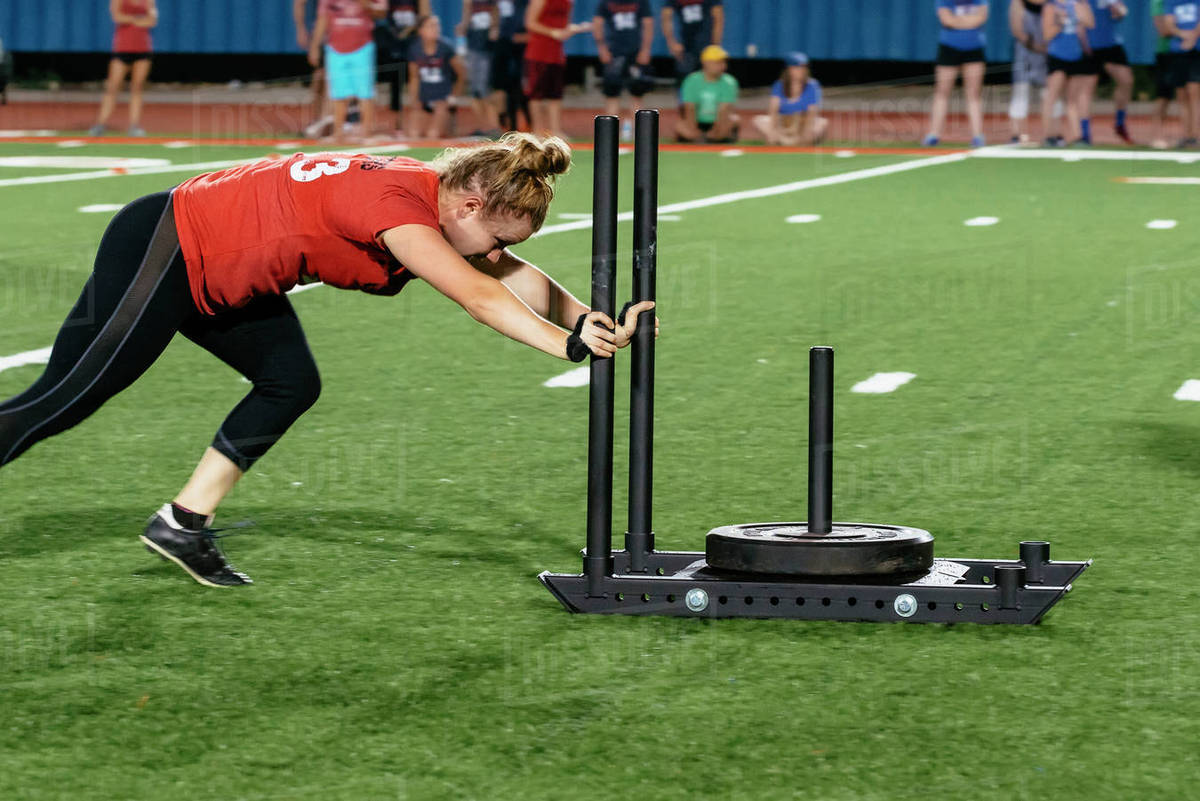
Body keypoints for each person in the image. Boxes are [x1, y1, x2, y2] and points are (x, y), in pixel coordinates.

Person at [0, 134, 657, 587]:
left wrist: (581, 317)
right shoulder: (398, 209)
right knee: (62, 399)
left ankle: (181, 522)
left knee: (290, 381)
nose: (492, 253)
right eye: (492, 238)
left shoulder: (432, 197)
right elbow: (480, 295)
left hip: (220, 276)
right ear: (469, 204)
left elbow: (506, 271)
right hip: (168, 246)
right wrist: (565, 344)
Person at [309, 0, 386, 143]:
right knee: (338, 93)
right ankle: (338, 134)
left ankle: (366, 134)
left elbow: (382, 12)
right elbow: (322, 19)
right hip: (335, 48)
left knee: (365, 93)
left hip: (362, 47)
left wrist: (365, 3)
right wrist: (314, 46)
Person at [922, 0, 988, 148]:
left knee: (974, 93)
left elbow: (981, 18)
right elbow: (947, 20)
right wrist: (967, 22)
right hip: (949, 48)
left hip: (974, 48)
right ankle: (934, 134)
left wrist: (959, 21)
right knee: (942, 92)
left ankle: (977, 135)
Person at [90, 0, 157, 137]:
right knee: (113, 87)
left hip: (143, 48)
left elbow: (152, 20)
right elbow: (117, 17)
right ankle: (100, 124)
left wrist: (130, 19)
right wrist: (138, 19)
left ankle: (134, 126)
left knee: (137, 87)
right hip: (122, 48)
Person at [524, 0, 592, 138]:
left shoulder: (568, 2)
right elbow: (530, 23)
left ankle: (555, 131)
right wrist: (552, 32)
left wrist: (575, 29)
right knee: (536, 93)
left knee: (555, 94)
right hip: (538, 52)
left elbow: (563, 27)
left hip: (556, 53)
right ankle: (537, 131)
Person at [592, 0, 654, 137]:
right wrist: (602, 48)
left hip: (635, 52)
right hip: (614, 52)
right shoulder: (606, 2)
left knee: (636, 94)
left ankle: (637, 132)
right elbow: (597, 24)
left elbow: (648, 24)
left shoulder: (641, 3)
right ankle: (610, 132)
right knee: (612, 94)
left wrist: (645, 50)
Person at [1079, 0, 1134, 144]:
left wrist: (1118, 12)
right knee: (1087, 89)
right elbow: (1078, 19)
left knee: (1126, 81)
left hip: (1111, 44)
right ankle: (1085, 135)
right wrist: (1084, 45)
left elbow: (1121, 13)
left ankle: (1120, 123)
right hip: (1090, 45)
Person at [1042, 0, 1094, 146]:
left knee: (1073, 99)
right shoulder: (1051, 6)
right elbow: (1046, 34)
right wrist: (1060, 21)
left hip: (1076, 55)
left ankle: (1078, 137)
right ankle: (1048, 135)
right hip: (1057, 56)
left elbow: (1090, 23)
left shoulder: (1080, 3)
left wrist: (1080, 11)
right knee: (1051, 96)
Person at [375, 0, 432, 134]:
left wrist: (411, 30)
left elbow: (425, 16)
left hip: (412, 43)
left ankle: (419, 122)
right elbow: (380, 13)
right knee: (395, 83)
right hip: (393, 45)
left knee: (418, 80)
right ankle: (395, 125)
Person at [407, 15, 467, 138]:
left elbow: (461, 73)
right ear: (421, 31)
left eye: (437, 25)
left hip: (442, 98)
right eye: (431, 26)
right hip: (424, 97)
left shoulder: (446, 48)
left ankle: (449, 124)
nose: (436, 29)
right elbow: (414, 77)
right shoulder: (414, 49)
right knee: (413, 134)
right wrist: (414, 100)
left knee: (433, 134)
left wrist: (453, 96)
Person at [752, 52, 827, 146]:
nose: (801, 71)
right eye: (797, 67)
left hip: (802, 123)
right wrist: (772, 130)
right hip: (783, 124)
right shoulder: (779, 85)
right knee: (759, 120)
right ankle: (784, 140)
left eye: (804, 68)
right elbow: (773, 110)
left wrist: (806, 132)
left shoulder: (812, 85)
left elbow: (812, 112)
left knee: (821, 123)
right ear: (789, 69)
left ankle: (788, 142)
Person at [674, 44, 738, 143]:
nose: (723, 66)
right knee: (679, 126)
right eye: (718, 62)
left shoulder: (729, 82)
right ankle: (699, 139)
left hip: (718, 122)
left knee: (734, 121)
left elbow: (724, 110)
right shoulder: (692, 80)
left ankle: (712, 139)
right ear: (706, 63)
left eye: (723, 62)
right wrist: (693, 130)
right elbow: (689, 108)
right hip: (698, 122)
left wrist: (716, 131)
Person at [458, 0, 502, 135]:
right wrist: (463, 27)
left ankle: (494, 126)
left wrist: (495, 28)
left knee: (486, 90)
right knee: (476, 91)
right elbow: (465, 21)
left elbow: (497, 17)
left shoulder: (493, 5)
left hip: (488, 50)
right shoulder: (469, 4)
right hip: (474, 48)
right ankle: (484, 126)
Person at [1008, 0, 1049, 144]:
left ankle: (1051, 135)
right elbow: (1017, 30)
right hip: (1025, 53)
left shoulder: (1053, 3)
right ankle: (1016, 134)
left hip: (1048, 54)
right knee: (1020, 92)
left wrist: (1049, 48)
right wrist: (1038, 47)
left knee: (1050, 94)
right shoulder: (1018, 3)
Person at [1162, 0, 1200, 147]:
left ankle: (1196, 135)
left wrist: (1193, 37)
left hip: (1196, 51)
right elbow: (1168, 24)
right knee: (1182, 94)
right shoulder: (1171, 2)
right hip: (1178, 51)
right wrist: (1182, 34)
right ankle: (1186, 135)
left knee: (1194, 92)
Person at [492, 0, 532, 131]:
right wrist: (495, 28)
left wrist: (528, 35)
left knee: (520, 88)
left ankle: (528, 123)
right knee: (504, 87)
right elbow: (497, 11)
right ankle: (507, 124)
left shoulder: (525, 3)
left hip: (521, 48)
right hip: (504, 45)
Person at [661, 0, 723, 81]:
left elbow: (718, 17)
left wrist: (715, 45)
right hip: (685, 45)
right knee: (685, 81)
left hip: (707, 44)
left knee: (709, 80)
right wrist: (672, 43)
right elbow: (666, 16)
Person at [1150, 0, 1180, 148]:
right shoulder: (1159, 2)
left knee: (1190, 95)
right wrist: (1185, 32)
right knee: (1163, 96)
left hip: (1190, 52)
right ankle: (1157, 135)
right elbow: (1163, 29)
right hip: (1167, 52)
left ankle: (1190, 135)